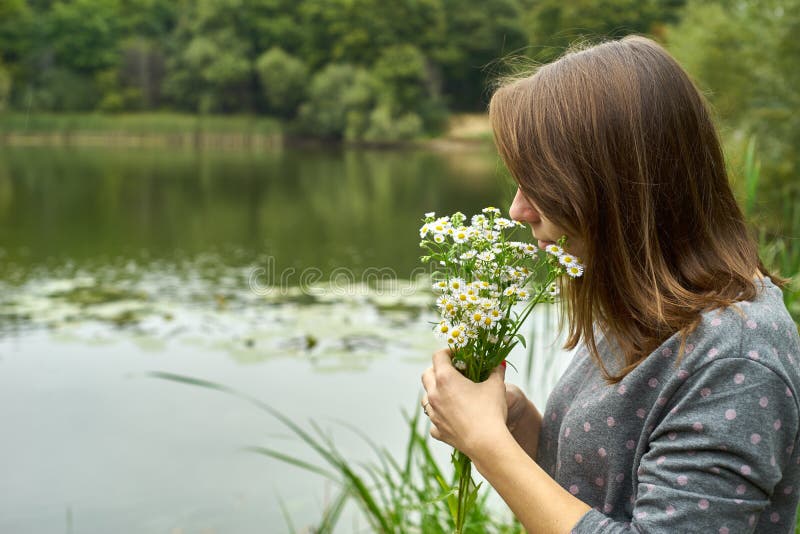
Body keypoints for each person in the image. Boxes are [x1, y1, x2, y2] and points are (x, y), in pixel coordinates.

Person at [420, 35, 800, 533]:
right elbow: (604, 492)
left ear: (615, 188)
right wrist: (519, 434)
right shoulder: (650, 310)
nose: (518, 210)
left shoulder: (735, 361)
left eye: (541, 185)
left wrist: (486, 444)